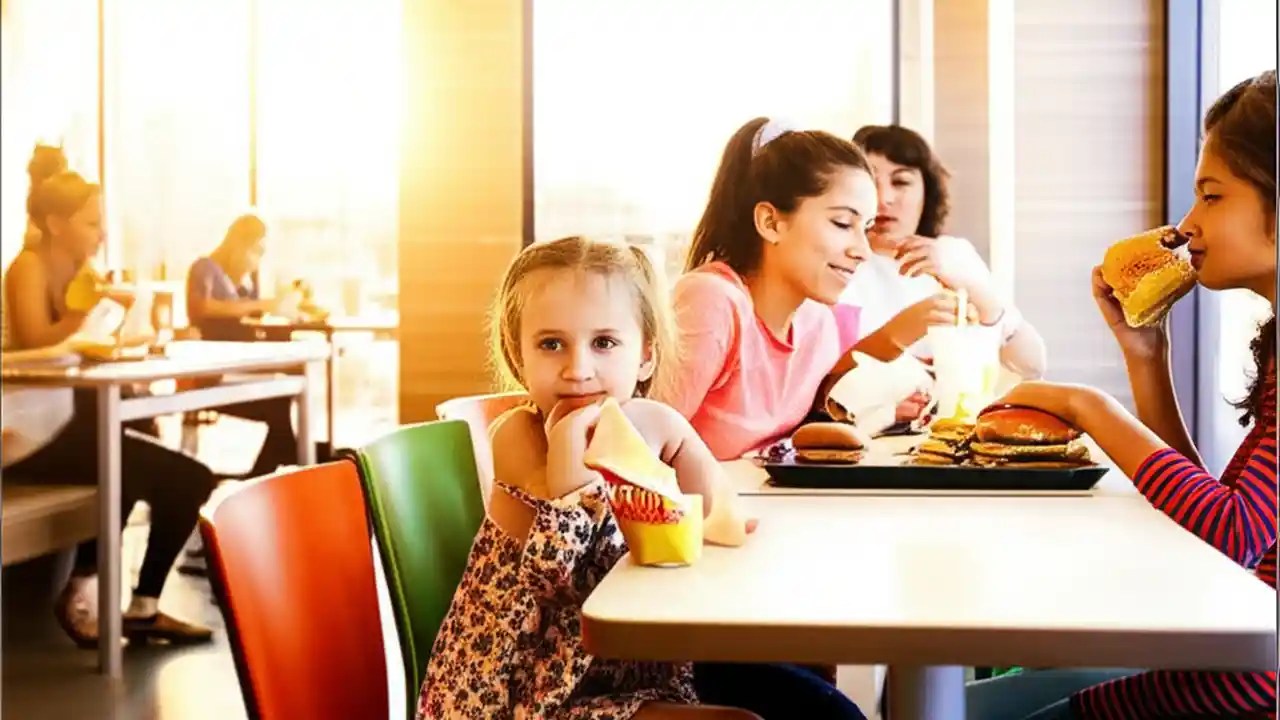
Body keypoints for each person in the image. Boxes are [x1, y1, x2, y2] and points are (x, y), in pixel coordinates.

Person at [973, 69, 1277, 719]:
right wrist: (1147, 355)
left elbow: (1235, 534)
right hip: (1232, 663)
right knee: (964, 705)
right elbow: (1212, 527)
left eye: (1212, 197)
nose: (1188, 224)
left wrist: (1091, 407)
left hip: (1251, 689)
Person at [417, 236, 759, 720]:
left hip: (628, 673)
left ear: (645, 357)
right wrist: (569, 452)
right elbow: (559, 579)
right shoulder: (520, 437)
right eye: (551, 344)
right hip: (521, 694)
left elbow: (718, 522)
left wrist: (679, 443)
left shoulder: (655, 426)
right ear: (519, 359)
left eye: (604, 343)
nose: (578, 370)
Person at [657, 117, 888, 718]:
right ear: (770, 221)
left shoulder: (814, 322)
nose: (862, 248)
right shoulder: (712, 303)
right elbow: (635, 458)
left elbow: (784, 443)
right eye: (842, 223)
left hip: (762, 577)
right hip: (682, 602)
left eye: (866, 227)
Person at [4, 171, 215, 646]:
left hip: (65, 419)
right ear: (56, 222)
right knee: (142, 466)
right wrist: (89, 310)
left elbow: (93, 346)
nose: (100, 234)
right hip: (25, 433)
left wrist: (110, 313)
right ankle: (86, 590)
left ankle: (140, 607)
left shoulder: (81, 273)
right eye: (90, 222)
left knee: (183, 474)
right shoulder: (29, 267)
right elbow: (36, 342)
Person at [840, 125, 1046, 381]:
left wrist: (970, 288)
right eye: (871, 183)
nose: (884, 198)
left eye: (901, 182)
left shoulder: (954, 254)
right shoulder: (836, 263)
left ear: (928, 193)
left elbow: (1032, 365)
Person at [185, 213, 299, 476]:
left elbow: (251, 318)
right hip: (213, 374)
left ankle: (272, 472)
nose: (256, 259)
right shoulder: (205, 268)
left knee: (285, 399)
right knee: (281, 409)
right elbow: (201, 307)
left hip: (240, 366)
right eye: (255, 250)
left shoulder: (242, 284)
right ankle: (279, 470)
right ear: (239, 245)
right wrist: (263, 304)